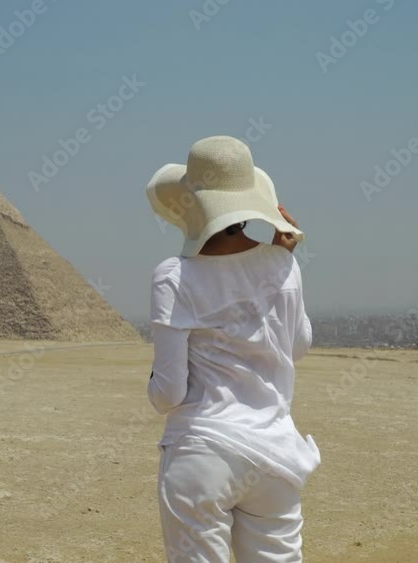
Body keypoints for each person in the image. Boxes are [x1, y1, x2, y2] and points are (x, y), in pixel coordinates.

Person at [145, 136, 320, 562]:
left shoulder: (174, 276)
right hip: (275, 458)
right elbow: (297, 346)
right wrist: (282, 262)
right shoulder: (283, 263)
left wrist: (152, 382)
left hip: (202, 456)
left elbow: (168, 394)